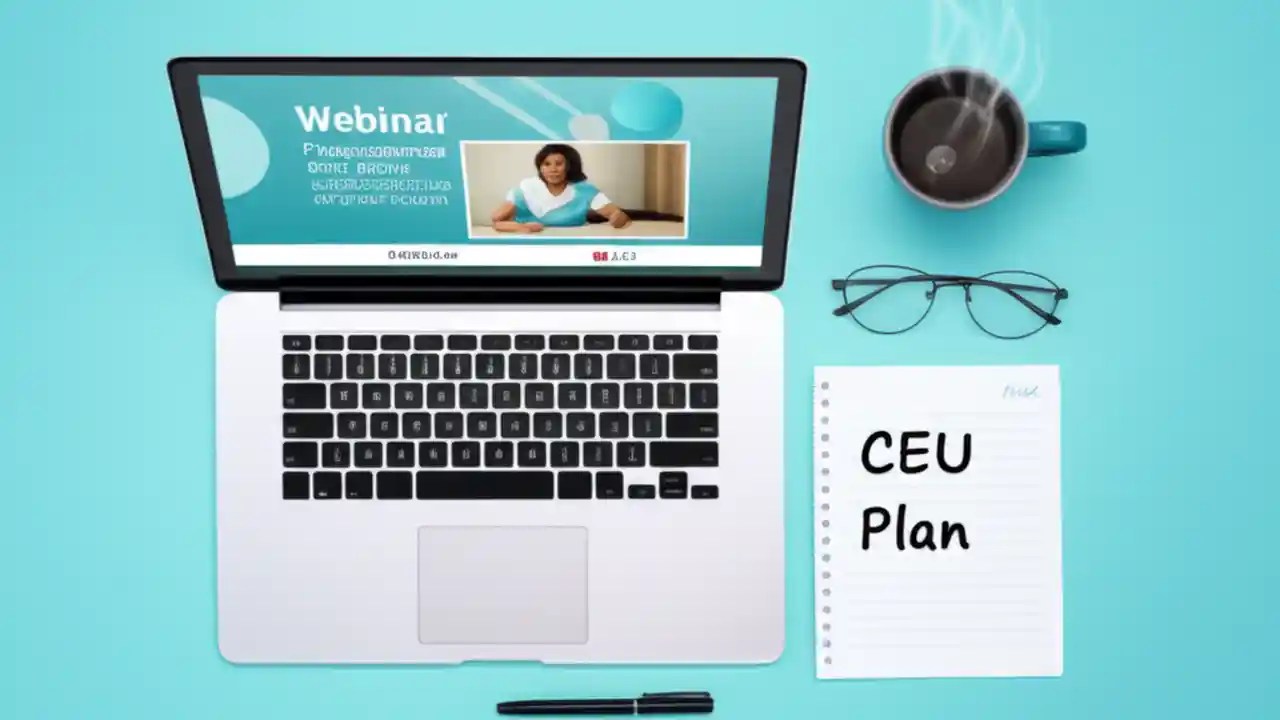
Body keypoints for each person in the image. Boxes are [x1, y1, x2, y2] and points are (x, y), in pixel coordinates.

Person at [490, 143, 631, 232]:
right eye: (546, 164)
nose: (553, 169)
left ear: (570, 166)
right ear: (540, 167)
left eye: (558, 163)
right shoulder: (524, 190)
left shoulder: (585, 191)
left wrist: (618, 218)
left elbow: (618, 215)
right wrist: (522, 228)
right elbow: (497, 221)